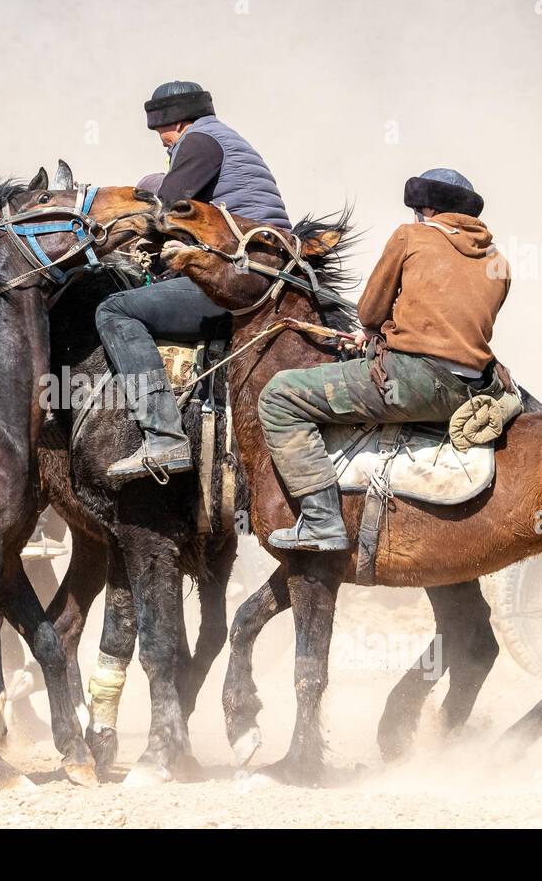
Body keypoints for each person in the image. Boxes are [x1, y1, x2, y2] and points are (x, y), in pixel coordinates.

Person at [258, 168, 511, 550]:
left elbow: (370, 311)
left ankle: (321, 521)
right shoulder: (499, 262)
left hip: (413, 381)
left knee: (279, 395)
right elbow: (453, 324)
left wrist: (376, 329)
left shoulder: (411, 236)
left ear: (426, 209)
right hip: (471, 390)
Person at [95, 81, 292, 482]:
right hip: (264, 265)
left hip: (239, 269)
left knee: (114, 310)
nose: (161, 141)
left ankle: (163, 436)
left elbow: (164, 208)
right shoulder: (226, 141)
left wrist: (113, 239)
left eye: (160, 132)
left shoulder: (199, 141)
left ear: (176, 121)